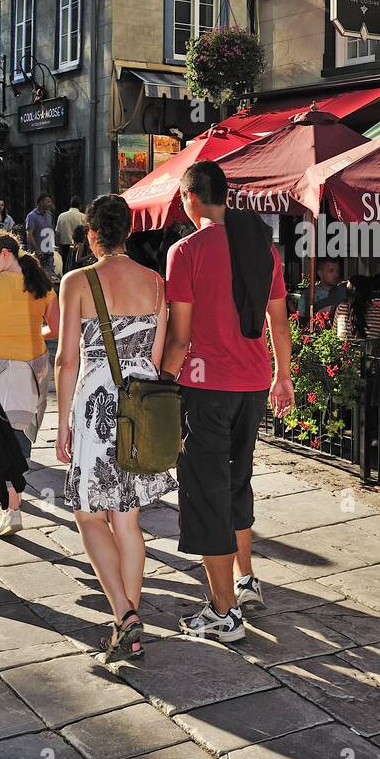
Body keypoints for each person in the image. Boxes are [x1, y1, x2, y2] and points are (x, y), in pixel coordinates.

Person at [161, 161, 294, 644]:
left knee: (204, 492)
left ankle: (223, 611)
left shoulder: (185, 250)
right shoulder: (263, 247)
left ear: (191, 198)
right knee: (237, 480)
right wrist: (284, 376)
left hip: (205, 387)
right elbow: (278, 321)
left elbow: (179, 336)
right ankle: (245, 578)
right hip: (255, 383)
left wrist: (160, 384)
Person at [55, 195, 174, 661]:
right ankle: (132, 621)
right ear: (130, 231)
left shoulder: (77, 281)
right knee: (128, 519)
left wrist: (63, 421)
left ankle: (124, 615)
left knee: (88, 514)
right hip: (140, 405)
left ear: (90, 234)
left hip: (96, 405)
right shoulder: (155, 282)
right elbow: (156, 356)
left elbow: (67, 360)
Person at [0, 231, 59, 536]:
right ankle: (14, 498)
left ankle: (12, 508)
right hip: (34, 367)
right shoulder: (40, 281)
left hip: (1, 369)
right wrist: (32, 334)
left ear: (6, 253)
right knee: (20, 436)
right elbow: (57, 327)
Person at [334, 275, 380, 342]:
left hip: (345, 352)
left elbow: (333, 336)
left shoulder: (341, 309)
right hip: (372, 352)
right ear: (370, 292)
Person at [297, 256, 348, 321]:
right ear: (320, 273)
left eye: (337, 271)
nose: (336, 275)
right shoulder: (307, 296)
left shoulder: (344, 293)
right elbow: (301, 322)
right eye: (331, 271)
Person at [25, 194, 55, 276]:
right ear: (41, 202)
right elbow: (29, 234)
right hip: (37, 253)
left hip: (49, 251)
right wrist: (37, 250)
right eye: (48, 202)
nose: (50, 204)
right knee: (36, 276)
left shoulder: (49, 215)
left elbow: (50, 231)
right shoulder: (32, 216)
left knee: (49, 276)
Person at [55, 196, 86, 273]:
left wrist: (58, 246)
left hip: (65, 245)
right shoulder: (83, 216)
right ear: (80, 206)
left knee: (66, 266)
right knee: (78, 268)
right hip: (80, 245)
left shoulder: (62, 216)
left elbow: (57, 233)